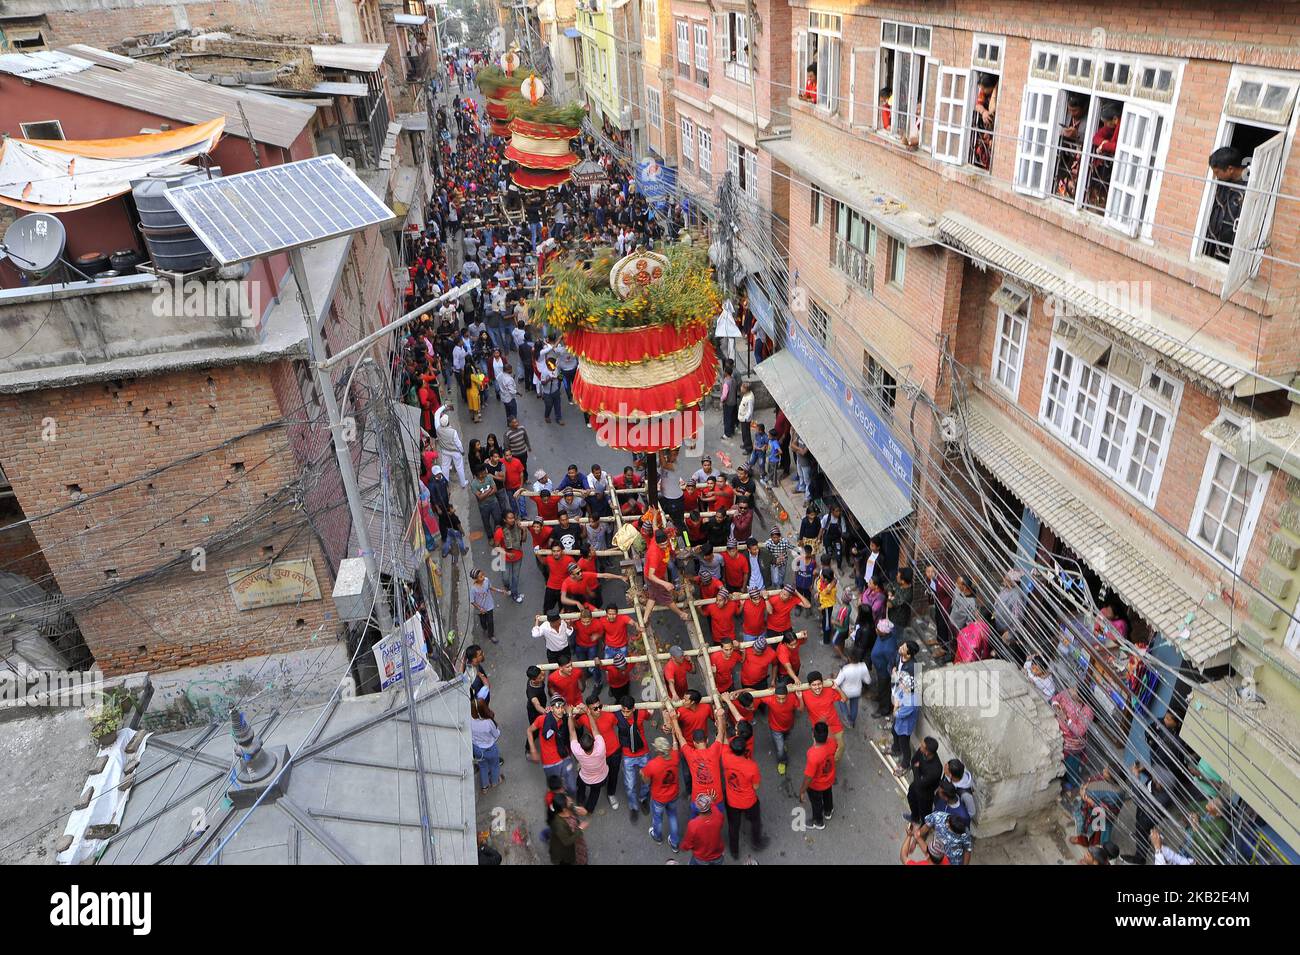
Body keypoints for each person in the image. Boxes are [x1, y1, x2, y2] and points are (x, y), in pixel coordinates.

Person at [720, 735, 766, 858]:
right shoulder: (751, 766)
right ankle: (757, 842)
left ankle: (734, 852)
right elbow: (756, 787)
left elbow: (724, 740)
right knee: (755, 821)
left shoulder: (725, 757)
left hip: (732, 801)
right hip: (749, 801)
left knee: (733, 827)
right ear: (744, 750)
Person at [615, 695, 654, 823]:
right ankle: (633, 806)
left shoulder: (641, 712)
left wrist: (651, 712)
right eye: (623, 711)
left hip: (643, 753)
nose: (625, 714)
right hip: (627, 755)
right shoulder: (616, 714)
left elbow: (649, 716)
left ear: (634, 709)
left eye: (628, 711)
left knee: (646, 779)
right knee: (630, 785)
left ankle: (643, 798)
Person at [1204, 146, 1247, 262]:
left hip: (1233, 248)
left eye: (1216, 172)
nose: (1214, 176)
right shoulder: (1224, 181)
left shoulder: (1250, 185)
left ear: (1230, 169)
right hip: (1213, 243)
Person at [528, 696, 576, 795]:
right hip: (549, 762)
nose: (560, 710)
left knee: (572, 788)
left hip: (564, 756)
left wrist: (570, 714)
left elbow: (573, 730)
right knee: (555, 789)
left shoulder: (566, 719)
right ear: (551, 708)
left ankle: (569, 799)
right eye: (557, 707)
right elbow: (529, 730)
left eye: (562, 707)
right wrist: (533, 750)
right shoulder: (542, 720)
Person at [568, 704, 609, 815]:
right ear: (593, 743)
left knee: (580, 785)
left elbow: (572, 732)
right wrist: (588, 712)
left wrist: (569, 714)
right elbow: (595, 729)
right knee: (595, 793)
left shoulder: (577, 751)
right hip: (601, 777)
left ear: (581, 746)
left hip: (585, 777)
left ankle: (580, 800)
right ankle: (589, 810)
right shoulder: (600, 747)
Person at [643, 735, 681, 852]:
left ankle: (657, 837)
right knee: (672, 816)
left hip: (659, 797)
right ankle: (675, 843)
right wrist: (674, 735)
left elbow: (646, 781)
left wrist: (642, 774)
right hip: (673, 794)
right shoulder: (675, 756)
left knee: (658, 818)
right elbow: (675, 746)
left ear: (658, 750)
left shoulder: (653, 764)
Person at [800, 721, 838, 829]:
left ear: (813, 736)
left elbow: (808, 777)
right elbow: (834, 745)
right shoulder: (832, 743)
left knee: (816, 803)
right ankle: (828, 810)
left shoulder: (812, 754)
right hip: (829, 779)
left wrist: (802, 791)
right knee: (827, 794)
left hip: (816, 785)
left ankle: (818, 821)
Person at [905, 736, 944, 825]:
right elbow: (913, 761)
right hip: (915, 787)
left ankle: (923, 830)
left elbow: (920, 783)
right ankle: (914, 818)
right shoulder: (921, 752)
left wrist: (916, 769)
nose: (920, 747)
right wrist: (918, 773)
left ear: (927, 752)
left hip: (925, 795)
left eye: (922, 746)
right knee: (911, 799)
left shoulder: (936, 769)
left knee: (925, 815)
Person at [680, 793, 725, 865]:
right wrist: (711, 802)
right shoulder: (718, 815)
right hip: (718, 854)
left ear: (698, 808)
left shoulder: (693, 824)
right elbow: (715, 811)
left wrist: (683, 848)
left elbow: (688, 843)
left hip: (701, 857)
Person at [470, 696, 503, 793]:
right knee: (494, 765)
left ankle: (485, 787)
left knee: (483, 766)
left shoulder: (470, 720)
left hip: (477, 749)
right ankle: (494, 781)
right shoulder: (488, 722)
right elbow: (496, 734)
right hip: (490, 748)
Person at [833, 650, 871, 729]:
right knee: (854, 706)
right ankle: (852, 721)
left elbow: (837, 682)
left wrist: (833, 679)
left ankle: (847, 720)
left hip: (845, 692)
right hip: (857, 691)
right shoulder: (863, 666)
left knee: (841, 702)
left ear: (849, 658)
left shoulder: (845, 669)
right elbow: (868, 681)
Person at [548, 793, 588, 865]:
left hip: (577, 839)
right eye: (567, 799)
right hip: (572, 846)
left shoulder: (565, 808)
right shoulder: (559, 825)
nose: (569, 798)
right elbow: (567, 841)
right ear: (564, 809)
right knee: (577, 859)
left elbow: (572, 808)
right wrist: (580, 828)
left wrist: (579, 810)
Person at [469, 568, 507, 644]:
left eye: (483, 575)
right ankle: (484, 627)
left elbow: (490, 588)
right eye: (480, 576)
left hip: (489, 606)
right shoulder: (473, 589)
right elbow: (472, 601)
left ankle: (491, 635)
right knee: (483, 621)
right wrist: (480, 609)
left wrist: (500, 591)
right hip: (480, 609)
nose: (483, 577)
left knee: (490, 621)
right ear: (475, 579)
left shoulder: (486, 580)